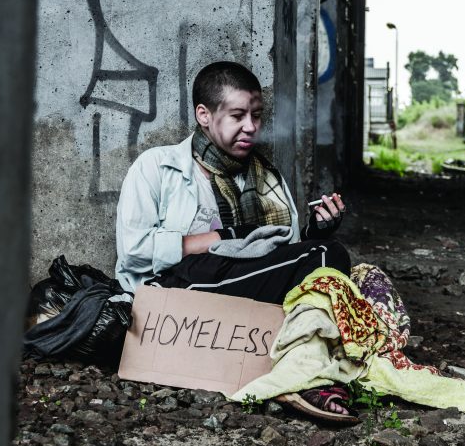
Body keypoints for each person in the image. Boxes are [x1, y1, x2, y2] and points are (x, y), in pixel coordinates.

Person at [115, 60, 349, 305]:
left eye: (256, 116)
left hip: (238, 295)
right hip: (169, 298)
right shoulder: (156, 166)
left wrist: (315, 232)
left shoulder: (266, 177)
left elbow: (282, 256)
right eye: (237, 116)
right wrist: (224, 238)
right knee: (325, 255)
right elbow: (133, 252)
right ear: (204, 115)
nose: (250, 127)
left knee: (323, 256)